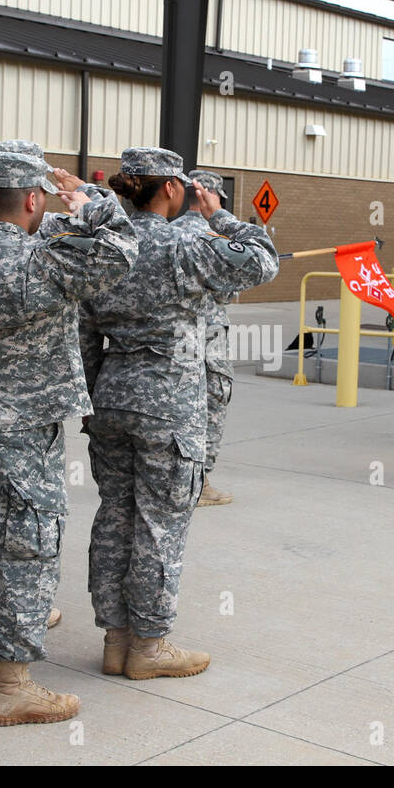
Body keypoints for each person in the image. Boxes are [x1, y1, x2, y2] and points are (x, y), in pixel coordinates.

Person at [0, 151, 139, 724]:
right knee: (27, 554)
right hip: (24, 431)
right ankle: (13, 687)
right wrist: (91, 201)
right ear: (34, 199)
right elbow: (122, 248)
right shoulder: (47, 259)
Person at [80, 147, 278, 679]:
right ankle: (148, 647)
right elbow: (262, 260)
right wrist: (221, 216)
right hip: (167, 399)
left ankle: (116, 640)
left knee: (114, 515)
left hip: (112, 393)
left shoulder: (104, 245)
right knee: (160, 523)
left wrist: (91, 397)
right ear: (170, 188)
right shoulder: (183, 243)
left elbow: (84, 333)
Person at [171, 170, 237, 507]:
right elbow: (229, 292)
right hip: (208, 334)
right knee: (211, 403)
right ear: (210, 197)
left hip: (173, 333)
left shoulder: (169, 231)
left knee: (178, 402)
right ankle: (199, 481)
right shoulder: (215, 237)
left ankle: (173, 475)